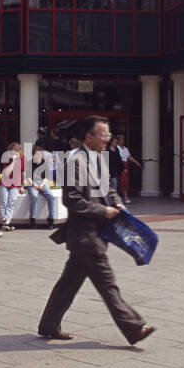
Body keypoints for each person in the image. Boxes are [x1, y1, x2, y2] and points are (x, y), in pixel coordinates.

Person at [38, 116, 154, 346]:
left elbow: (108, 189)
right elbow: (72, 200)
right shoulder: (75, 161)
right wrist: (104, 211)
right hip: (84, 235)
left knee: (69, 283)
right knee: (107, 283)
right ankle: (133, 328)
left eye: (108, 135)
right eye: (102, 135)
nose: (107, 139)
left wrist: (117, 202)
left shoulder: (99, 158)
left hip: (96, 233)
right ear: (88, 136)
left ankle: (48, 325)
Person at [27, 143, 59, 230]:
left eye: (40, 154)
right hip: (32, 182)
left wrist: (41, 185)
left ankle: (51, 218)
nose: (38, 155)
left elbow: (46, 177)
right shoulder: (30, 163)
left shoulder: (44, 163)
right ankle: (32, 219)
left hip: (42, 182)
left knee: (51, 197)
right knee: (34, 196)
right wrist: (33, 184)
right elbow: (28, 177)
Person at [0, 142, 26, 232]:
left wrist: (22, 186)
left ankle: (6, 222)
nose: (15, 153)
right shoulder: (6, 158)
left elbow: (22, 173)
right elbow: (6, 173)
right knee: (3, 202)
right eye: (13, 151)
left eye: (17, 151)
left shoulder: (23, 159)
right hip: (4, 183)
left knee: (11, 202)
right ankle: (7, 222)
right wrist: (13, 162)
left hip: (15, 184)